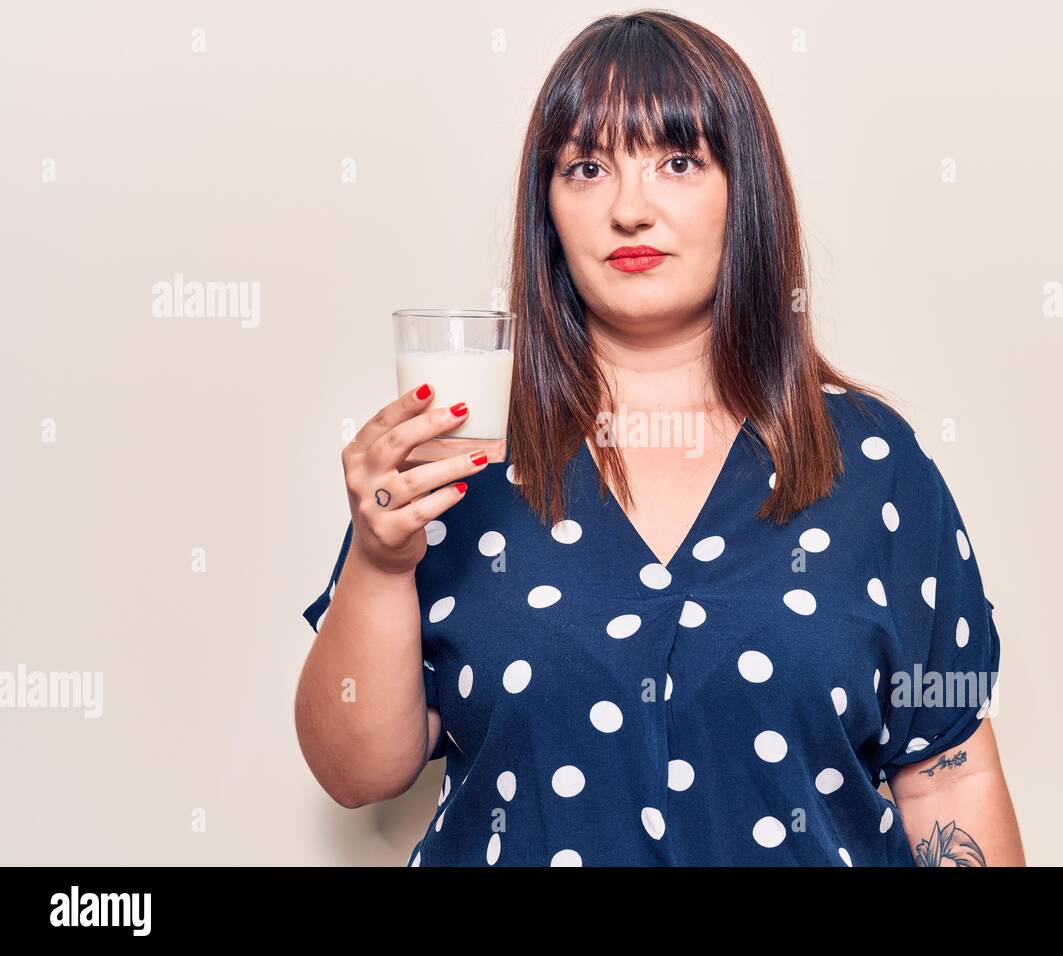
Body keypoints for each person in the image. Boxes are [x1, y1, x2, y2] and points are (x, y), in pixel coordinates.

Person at [296, 9, 1024, 867]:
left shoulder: (876, 464)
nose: (629, 208)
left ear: (743, 191)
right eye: (587, 167)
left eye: (678, 161)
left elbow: (946, 778)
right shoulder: (457, 454)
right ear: (548, 211)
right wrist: (380, 563)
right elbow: (356, 774)